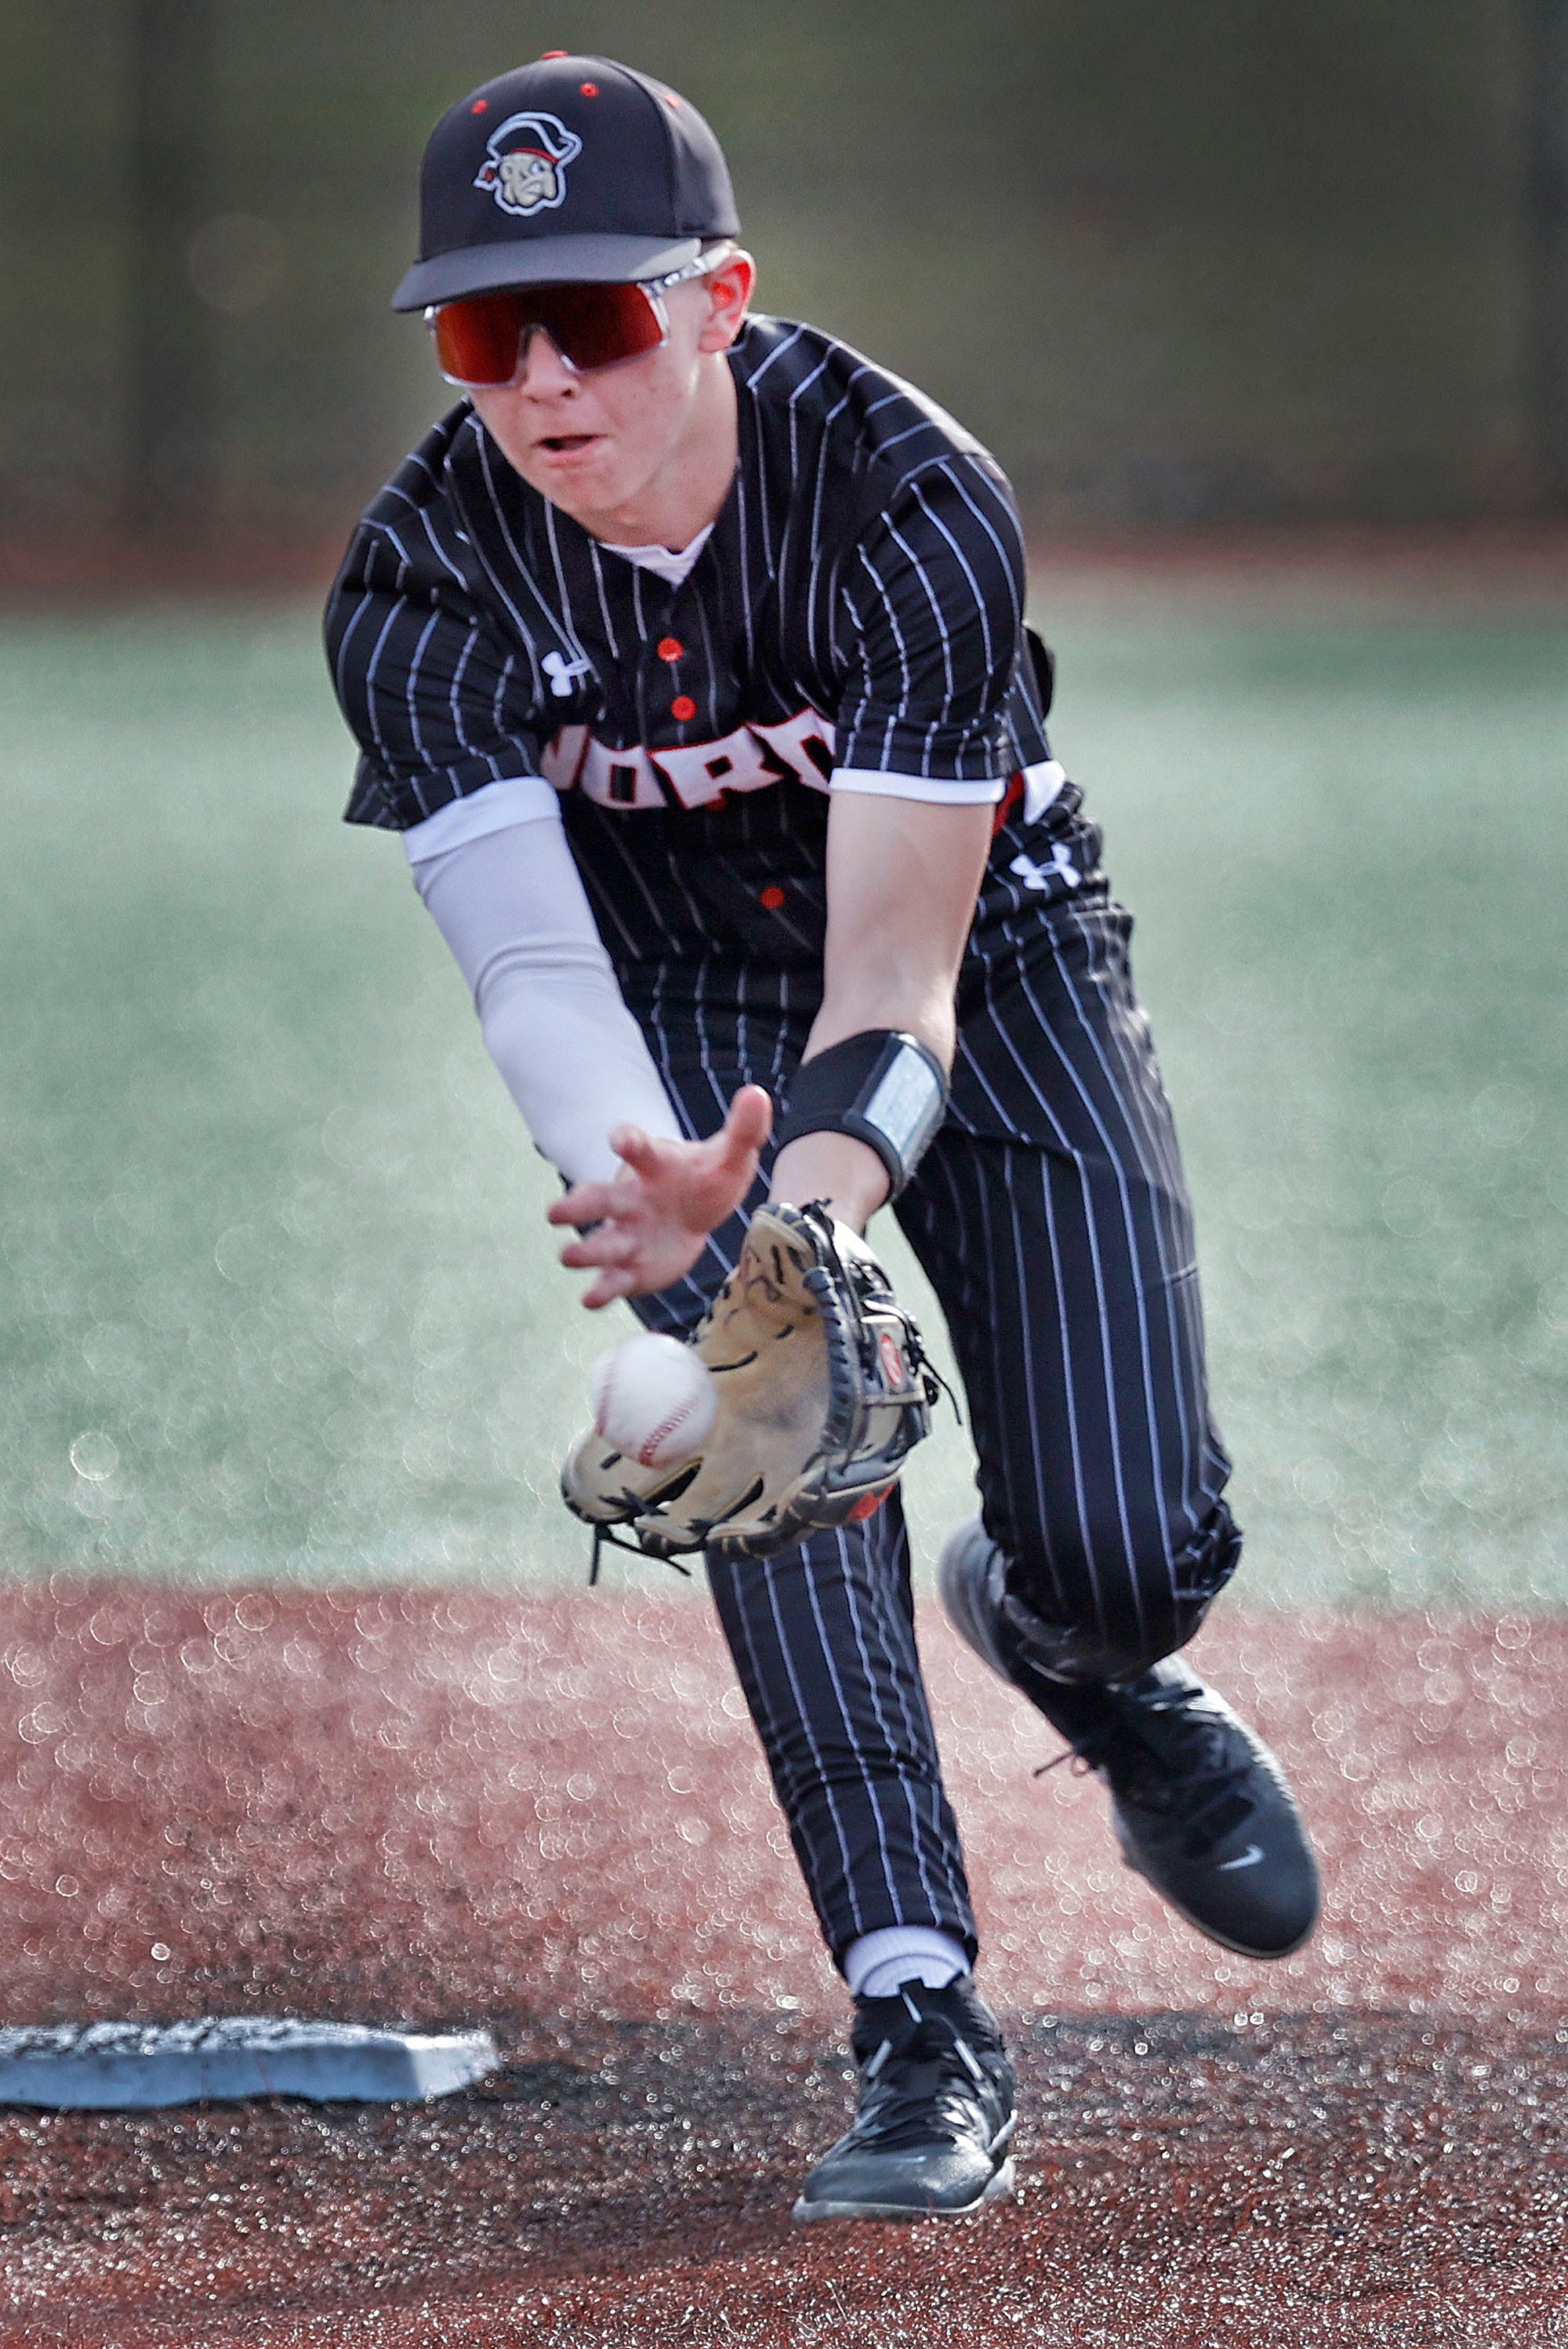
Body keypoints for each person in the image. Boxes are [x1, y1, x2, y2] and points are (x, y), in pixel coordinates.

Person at [325, 53, 1319, 2224]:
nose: (547, 380)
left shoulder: (906, 497)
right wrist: (669, 1195)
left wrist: (805, 1220)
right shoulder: (420, 582)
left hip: (986, 955)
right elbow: (530, 974)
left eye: (595, 316)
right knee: (786, 1440)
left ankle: (1072, 1641)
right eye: (489, 333)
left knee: (1138, 1540)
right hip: (674, 1011)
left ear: (723, 298)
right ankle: (917, 2001)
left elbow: (897, 992)